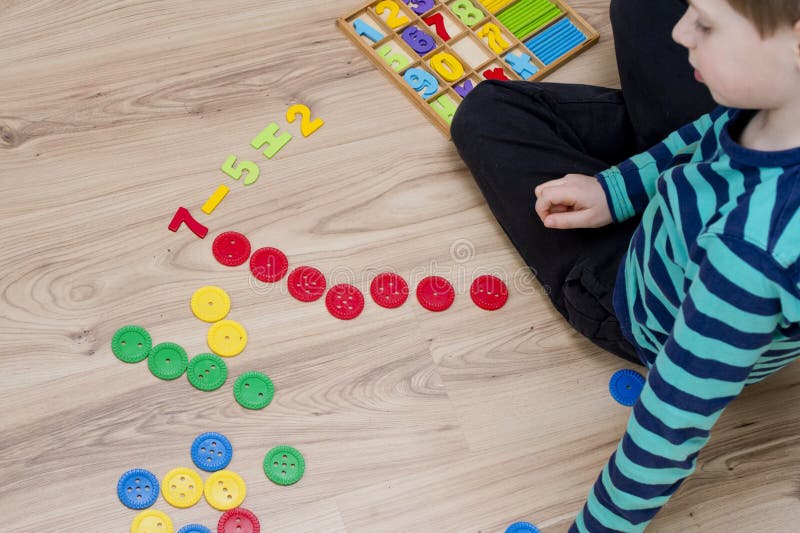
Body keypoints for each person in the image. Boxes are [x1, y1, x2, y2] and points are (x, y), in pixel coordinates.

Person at [450, 0, 800, 530]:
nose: (683, 31)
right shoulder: (773, 102)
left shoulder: (749, 255)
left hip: (635, 300)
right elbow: (712, 128)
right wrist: (616, 188)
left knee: (486, 113)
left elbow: (670, 423)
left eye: (705, 22)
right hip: (685, 207)